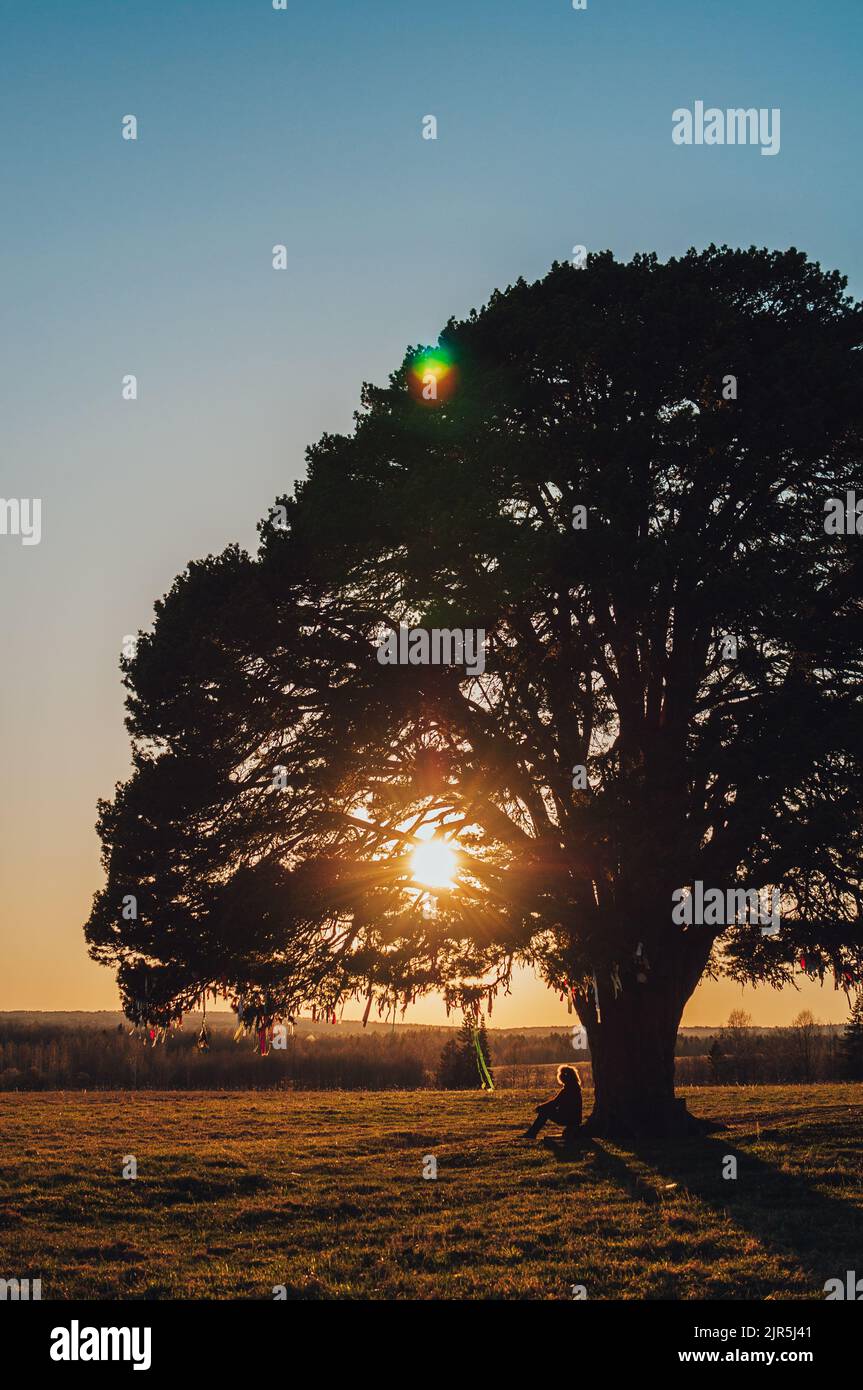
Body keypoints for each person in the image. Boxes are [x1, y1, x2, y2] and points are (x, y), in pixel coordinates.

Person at [521, 1064, 583, 1144]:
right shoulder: (574, 1087)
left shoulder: (568, 1089)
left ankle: (532, 1133)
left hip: (569, 1118)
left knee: (544, 1112)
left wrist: (541, 1107)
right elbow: (556, 1102)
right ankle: (531, 1133)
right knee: (545, 1110)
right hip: (573, 1118)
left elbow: (555, 1103)